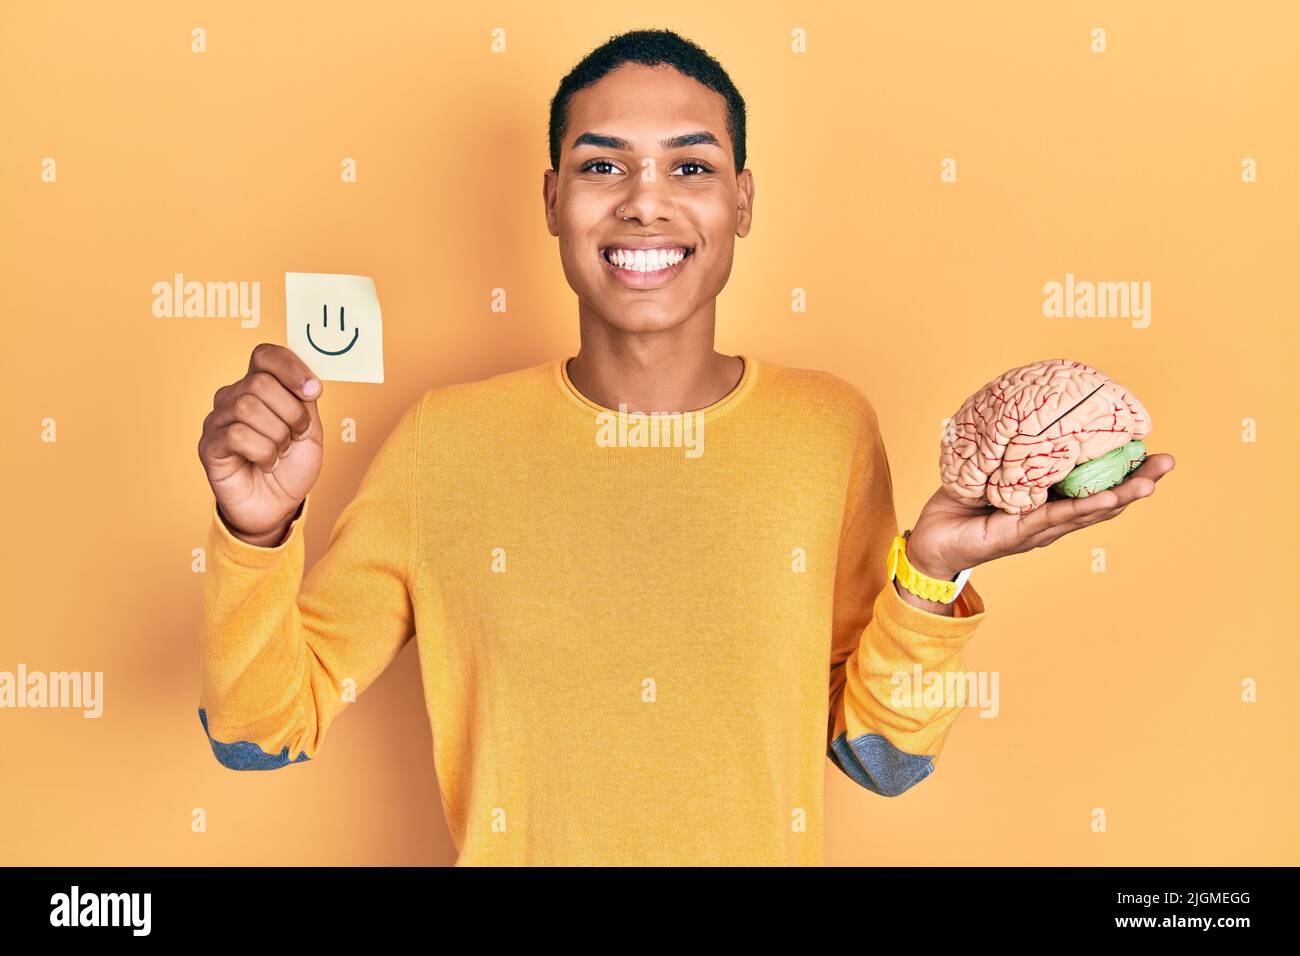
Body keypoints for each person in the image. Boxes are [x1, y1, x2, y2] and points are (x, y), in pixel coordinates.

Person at [194, 29, 1174, 865]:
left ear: (742, 201)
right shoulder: (443, 441)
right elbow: (258, 733)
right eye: (602, 165)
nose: (645, 201)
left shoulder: (826, 430)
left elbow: (883, 757)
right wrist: (256, 531)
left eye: (690, 166)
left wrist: (929, 574)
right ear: (551, 199)